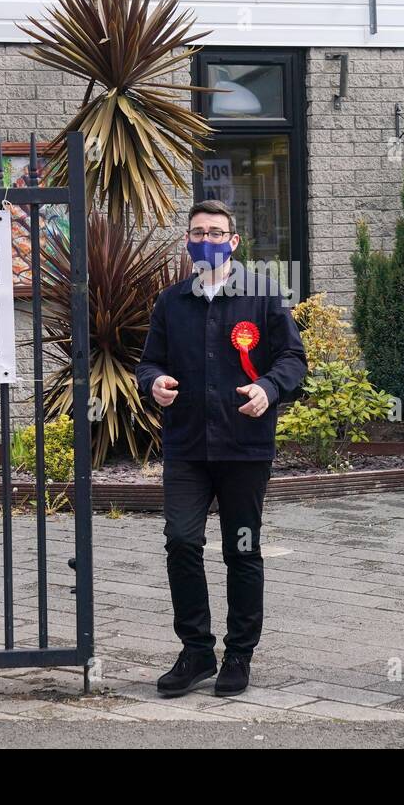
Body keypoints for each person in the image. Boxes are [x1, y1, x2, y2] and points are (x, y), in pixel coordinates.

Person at [136, 199, 307, 697]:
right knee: (182, 542)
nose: (205, 239)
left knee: (242, 548)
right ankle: (195, 652)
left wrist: (268, 389)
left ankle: (238, 654)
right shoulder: (172, 302)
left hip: (243, 446)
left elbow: (294, 359)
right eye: (197, 232)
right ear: (188, 241)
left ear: (233, 242)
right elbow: (149, 362)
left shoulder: (263, 296)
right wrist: (156, 382)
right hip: (187, 445)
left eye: (215, 232)